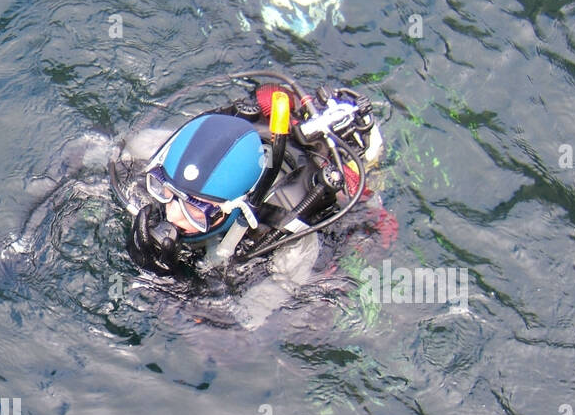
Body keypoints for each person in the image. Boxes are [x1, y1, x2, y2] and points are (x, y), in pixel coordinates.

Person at [121, 71, 387, 289]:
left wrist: (168, 283)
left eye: (195, 210)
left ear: (239, 206)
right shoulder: (148, 149)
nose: (172, 213)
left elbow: (243, 337)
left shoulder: (291, 246)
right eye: (165, 190)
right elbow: (90, 156)